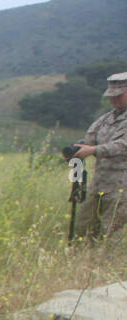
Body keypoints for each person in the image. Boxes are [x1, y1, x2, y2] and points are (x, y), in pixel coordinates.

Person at [71, 72, 127, 239]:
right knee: (83, 228)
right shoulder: (105, 119)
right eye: (112, 96)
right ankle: (83, 262)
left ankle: (104, 263)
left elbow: (122, 146)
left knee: (110, 233)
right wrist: (77, 150)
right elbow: (90, 139)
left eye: (119, 95)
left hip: (122, 188)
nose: (114, 100)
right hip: (100, 184)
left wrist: (93, 150)